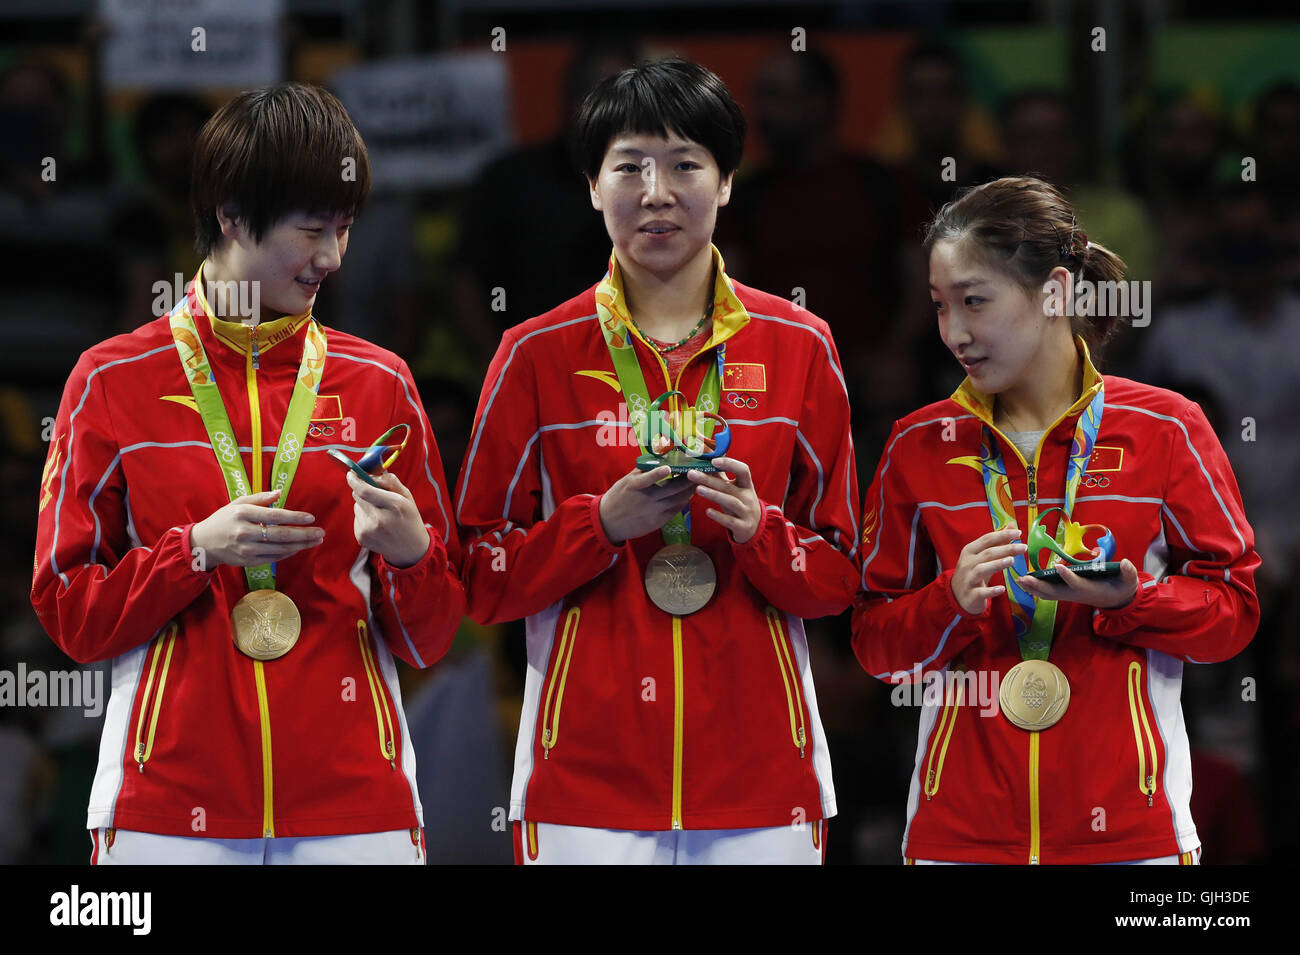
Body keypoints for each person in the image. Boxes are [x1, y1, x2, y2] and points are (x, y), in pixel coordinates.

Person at [31, 83, 465, 864]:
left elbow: (427, 640)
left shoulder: (381, 384)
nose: (332, 257)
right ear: (232, 216)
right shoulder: (111, 380)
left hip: (354, 810)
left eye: (346, 229)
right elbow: (72, 617)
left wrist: (411, 556)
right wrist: (190, 551)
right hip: (166, 809)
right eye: (312, 229)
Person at [455, 58, 859, 865]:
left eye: (685, 165)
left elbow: (841, 572)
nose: (657, 190)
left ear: (728, 182)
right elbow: (478, 576)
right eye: (629, 166)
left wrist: (761, 533)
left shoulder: (800, 347)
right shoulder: (531, 354)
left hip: (762, 779)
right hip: (584, 783)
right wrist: (598, 524)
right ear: (593, 187)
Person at [852, 176, 1260, 864]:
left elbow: (1235, 614)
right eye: (939, 306)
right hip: (961, 837)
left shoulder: (1165, 428)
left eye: (974, 301)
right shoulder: (918, 444)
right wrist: (948, 601)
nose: (954, 333)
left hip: (1131, 834)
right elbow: (876, 647)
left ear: (1056, 291)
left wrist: (1134, 600)